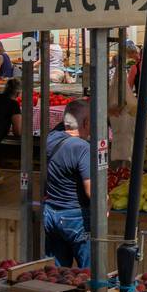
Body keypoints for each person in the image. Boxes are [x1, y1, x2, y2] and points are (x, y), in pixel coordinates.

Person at [42, 99, 93, 268]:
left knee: (58, 275)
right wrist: (107, 202)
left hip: (51, 215)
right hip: (75, 218)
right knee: (89, 275)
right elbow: (91, 191)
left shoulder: (51, 138)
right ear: (86, 122)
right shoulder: (82, 148)